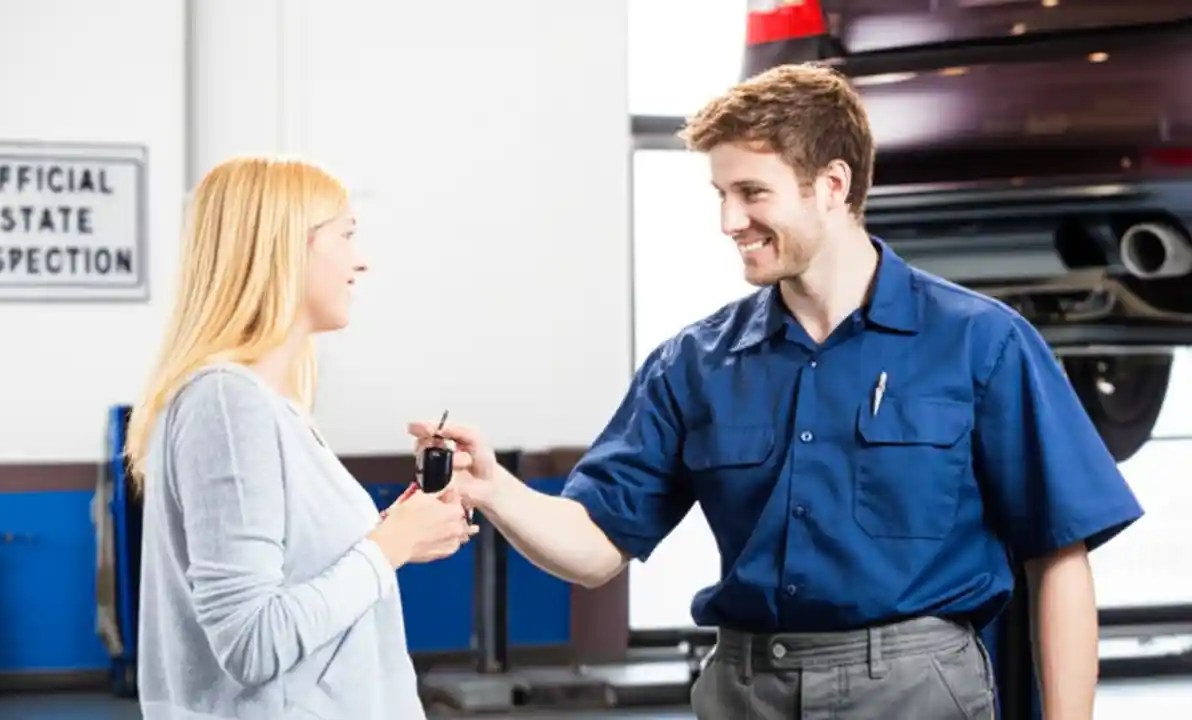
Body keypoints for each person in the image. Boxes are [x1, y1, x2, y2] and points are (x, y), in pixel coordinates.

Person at [410, 63, 1144, 719]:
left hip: (917, 694)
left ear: (832, 185)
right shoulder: (693, 364)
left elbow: (1060, 559)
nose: (730, 221)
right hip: (745, 690)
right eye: (721, 193)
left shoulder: (981, 343)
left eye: (751, 192)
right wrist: (496, 487)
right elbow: (598, 546)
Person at [124, 156, 475, 720]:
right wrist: (389, 548)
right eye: (347, 235)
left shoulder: (268, 406)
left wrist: (400, 532)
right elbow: (251, 641)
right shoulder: (226, 402)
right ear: (285, 248)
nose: (361, 262)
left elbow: (303, 579)